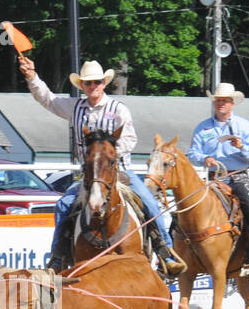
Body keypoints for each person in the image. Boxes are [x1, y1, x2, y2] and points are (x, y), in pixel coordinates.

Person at [18, 56, 184, 276]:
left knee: (149, 204)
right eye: (88, 83)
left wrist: (107, 156)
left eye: (97, 82)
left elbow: (130, 139)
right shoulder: (75, 107)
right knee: (63, 205)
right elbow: (48, 99)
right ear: (82, 86)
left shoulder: (118, 109)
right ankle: (58, 256)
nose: (93, 86)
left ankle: (166, 252)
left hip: (120, 171)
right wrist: (32, 77)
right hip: (88, 176)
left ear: (104, 83)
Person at [186, 83, 249, 273]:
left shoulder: (244, 126)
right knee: (185, 206)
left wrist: (242, 147)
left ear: (232, 103)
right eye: (218, 100)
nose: (220, 103)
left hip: (237, 176)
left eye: (225, 101)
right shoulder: (203, 127)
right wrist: (203, 158)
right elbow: (192, 153)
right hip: (213, 178)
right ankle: (180, 253)